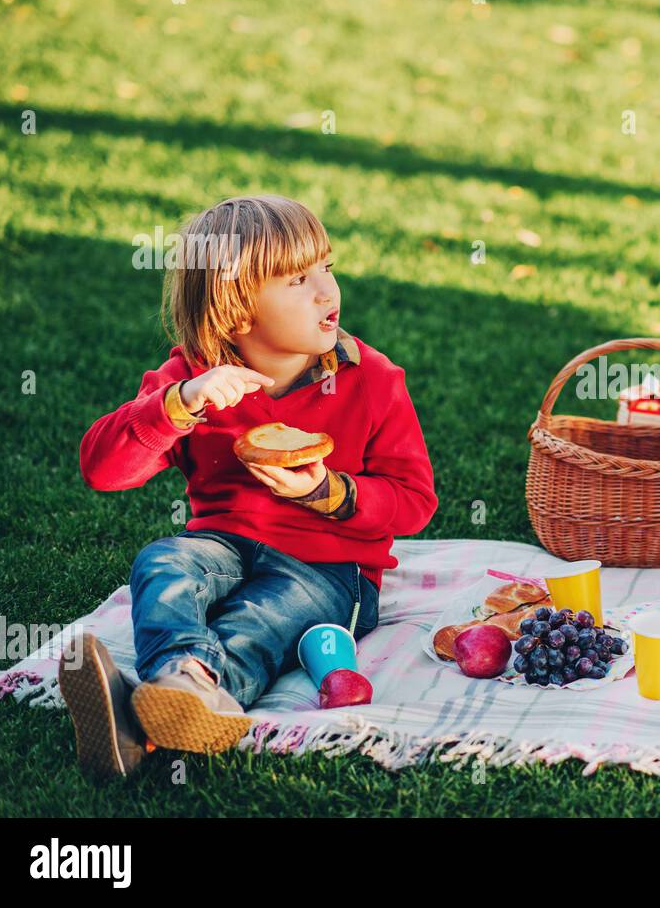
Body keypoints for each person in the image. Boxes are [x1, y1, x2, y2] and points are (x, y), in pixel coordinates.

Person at [64, 194, 437, 778]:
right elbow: (103, 469)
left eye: (327, 268)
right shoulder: (192, 379)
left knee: (261, 619)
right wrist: (177, 406)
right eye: (297, 279)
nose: (327, 291)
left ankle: (182, 698)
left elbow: (413, 502)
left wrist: (328, 493)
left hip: (329, 568)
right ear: (237, 312)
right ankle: (173, 692)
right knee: (164, 566)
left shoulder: (373, 379)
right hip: (222, 542)